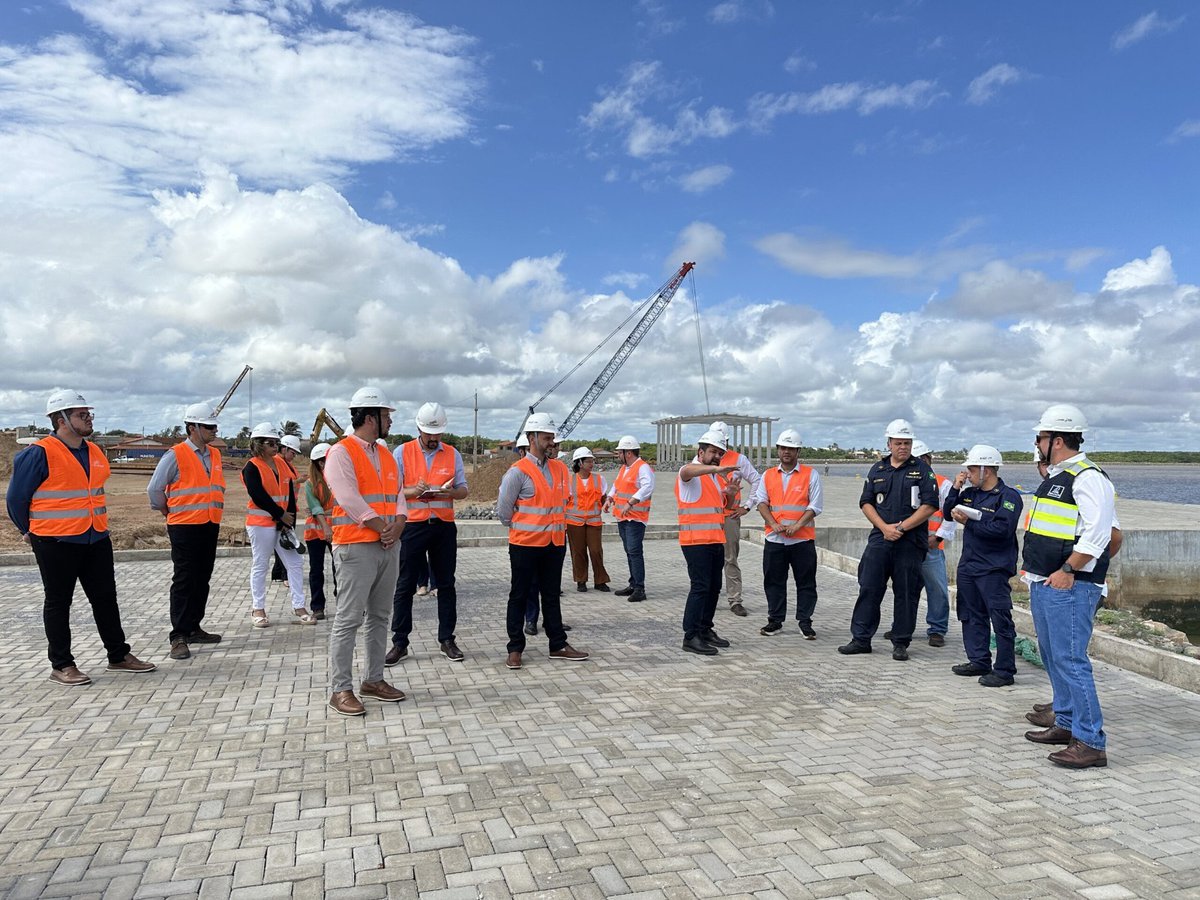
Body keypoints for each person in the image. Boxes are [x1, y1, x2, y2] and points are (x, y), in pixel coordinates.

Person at [6, 389, 156, 684]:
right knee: (59, 602)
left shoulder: (95, 452)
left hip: (95, 536)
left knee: (105, 599)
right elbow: (16, 499)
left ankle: (118, 655)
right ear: (61, 419)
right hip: (55, 541)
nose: (89, 419)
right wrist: (28, 530)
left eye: (89, 414)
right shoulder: (38, 453)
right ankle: (62, 665)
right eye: (81, 414)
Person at [1021, 404, 1115, 769]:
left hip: (1070, 585)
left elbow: (1101, 534)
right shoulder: (1057, 477)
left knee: (1072, 660)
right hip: (1046, 581)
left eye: (1041, 437)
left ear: (1057, 440)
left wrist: (1069, 569)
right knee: (1052, 655)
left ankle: (1090, 741)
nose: (1037, 443)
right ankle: (1065, 722)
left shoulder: (1089, 478)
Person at [325, 387, 409, 716]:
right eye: (386, 415)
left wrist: (399, 523)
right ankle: (340, 689)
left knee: (379, 616)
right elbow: (348, 497)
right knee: (348, 619)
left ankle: (373, 680)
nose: (390, 421)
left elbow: (398, 494)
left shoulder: (385, 455)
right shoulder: (341, 452)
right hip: (356, 546)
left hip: (387, 544)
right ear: (371, 417)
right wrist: (383, 527)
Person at [838, 419, 939, 661]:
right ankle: (861, 639)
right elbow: (866, 502)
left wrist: (901, 528)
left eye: (907, 443)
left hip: (910, 542)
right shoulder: (877, 469)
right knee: (869, 588)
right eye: (898, 443)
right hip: (880, 539)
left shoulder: (923, 471)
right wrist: (884, 528)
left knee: (906, 593)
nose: (903, 447)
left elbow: (929, 506)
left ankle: (901, 642)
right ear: (889, 444)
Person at [496, 412, 588, 669]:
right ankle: (515, 648)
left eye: (552, 438)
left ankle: (558, 644)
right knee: (519, 595)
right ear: (532, 438)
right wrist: (528, 527)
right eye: (547, 438)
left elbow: (563, 502)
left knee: (551, 595)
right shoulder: (517, 472)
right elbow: (503, 512)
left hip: (554, 544)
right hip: (525, 545)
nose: (551, 443)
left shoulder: (560, 469)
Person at [386, 402, 470, 665]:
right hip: (412, 526)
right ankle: (400, 642)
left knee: (446, 584)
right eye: (429, 434)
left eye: (438, 434)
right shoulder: (402, 452)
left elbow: (464, 490)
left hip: (443, 526)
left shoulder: (453, 454)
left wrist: (451, 492)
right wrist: (413, 491)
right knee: (405, 584)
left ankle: (447, 639)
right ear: (418, 429)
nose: (434, 438)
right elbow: (392, 491)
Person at [147, 400, 226, 660]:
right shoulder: (176, 454)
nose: (214, 431)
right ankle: (179, 635)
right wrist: (165, 510)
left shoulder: (215, 455)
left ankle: (193, 627)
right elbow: (154, 489)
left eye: (214, 426)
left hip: (209, 523)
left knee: (202, 577)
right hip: (183, 526)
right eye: (209, 427)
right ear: (192, 428)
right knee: (184, 579)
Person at [943, 445, 1023, 687]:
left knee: (1000, 618)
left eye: (970, 469)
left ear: (985, 469)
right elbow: (947, 513)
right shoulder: (970, 494)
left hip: (993, 568)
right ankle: (978, 660)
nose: (967, 474)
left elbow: (1002, 530)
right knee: (970, 614)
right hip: (969, 565)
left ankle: (1004, 670)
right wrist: (955, 488)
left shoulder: (1008, 497)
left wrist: (970, 523)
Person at [241, 423, 315, 627]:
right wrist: (280, 515)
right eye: (271, 443)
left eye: (277, 443)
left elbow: (289, 492)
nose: (276, 447)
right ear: (258, 444)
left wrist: (287, 520)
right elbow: (258, 495)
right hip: (261, 523)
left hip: (281, 523)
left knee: (295, 562)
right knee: (261, 564)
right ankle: (258, 609)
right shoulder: (251, 467)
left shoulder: (281, 465)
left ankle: (299, 606)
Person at [751, 428, 822, 638]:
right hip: (775, 539)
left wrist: (797, 526)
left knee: (806, 583)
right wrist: (773, 524)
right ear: (778, 450)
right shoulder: (768, 475)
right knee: (773, 582)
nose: (786, 452)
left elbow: (815, 506)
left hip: (802, 540)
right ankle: (775, 620)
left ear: (798, 451)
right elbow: (761, 502)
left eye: (791, 448)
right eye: (783, 448)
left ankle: (805, 622)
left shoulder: (811, 474)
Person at [676, 431, 738, 655]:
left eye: (720, 454)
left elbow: (725, 507)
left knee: (713, 588)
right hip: (695, 542)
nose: (717, 457)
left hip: (714, 541)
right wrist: (715, 469)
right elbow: (685, 471)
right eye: (713, 452)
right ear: (700, 452)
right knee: (700, 587)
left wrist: (731, 493)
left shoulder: (714, 479)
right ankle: (690, 636)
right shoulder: (691, 473)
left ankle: (704, 629)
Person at [707, 420, 762, 617]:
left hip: (729, 516)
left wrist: (747, 506)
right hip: (708, 518)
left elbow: (757, 480)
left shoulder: (738, 459)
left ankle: (735, 600)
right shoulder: (704, 461)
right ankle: (708, 597)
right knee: (707, 559)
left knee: (730, 558)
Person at [604, 435, 654, 602]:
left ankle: (639, 588)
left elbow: (648, 487)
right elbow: (616, 486)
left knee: (634, 552)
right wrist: (609, 498)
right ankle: (633, 584)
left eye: (620, 452)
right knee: (629, 552)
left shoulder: (642, 467)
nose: (618, 455)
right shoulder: (624, 468)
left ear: (629, 453)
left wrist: (631, 502)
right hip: (623, 518)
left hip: (635, 519)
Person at [565, 447, 611, 592]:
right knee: (578, 552)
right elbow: (564, 501)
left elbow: (604, 497)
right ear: (579, 463)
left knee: (596, 551)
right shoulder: (569, 480)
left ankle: (600, 581)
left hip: (593, 521)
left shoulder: (599, 479)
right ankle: (581, 580)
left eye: (592, 461)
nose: (592, 464)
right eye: (588, 461)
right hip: (574, 522)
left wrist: (607, 503)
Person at [304, 442, 337, 621]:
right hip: (317, 532)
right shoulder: (311, 483)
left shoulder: (338, 479)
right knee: (316, 570)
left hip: (336, 530)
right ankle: (317, 607)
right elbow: (315, 506)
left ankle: (343, 602)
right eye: (321, 461)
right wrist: (325, 527)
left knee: (339, 568)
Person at [271, 435, 305, 582]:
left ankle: (278, 573)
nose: (294, 456)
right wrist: (299, 480)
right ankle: (284, 574)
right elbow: (284, 484)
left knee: (283, 540)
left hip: (290, 506)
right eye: (292, 453)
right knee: (285, 541)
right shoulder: (278, 462)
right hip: (284, 509)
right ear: (284, 449)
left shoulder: (287, 464)